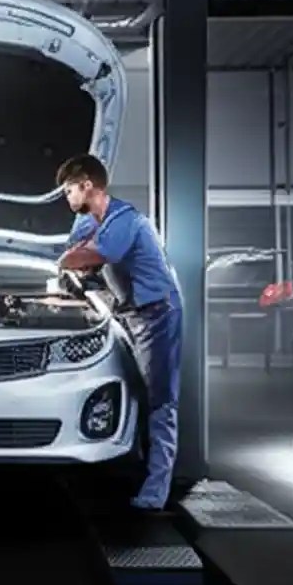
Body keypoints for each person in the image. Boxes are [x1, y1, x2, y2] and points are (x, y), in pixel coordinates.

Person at [54, 154, 183, 513]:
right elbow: (71, 250)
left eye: (68, 190)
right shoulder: (90, 221)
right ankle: (132, 472)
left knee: (161, 401)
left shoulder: (125, 219)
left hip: (158, 314)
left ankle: (156, 491)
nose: (66, 198)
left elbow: (97, 253)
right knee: (134, 392)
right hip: (130, 315)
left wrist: (67, 262)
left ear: (87, 186)